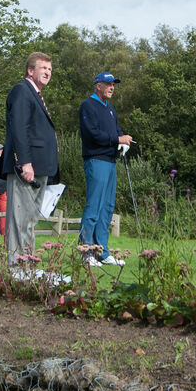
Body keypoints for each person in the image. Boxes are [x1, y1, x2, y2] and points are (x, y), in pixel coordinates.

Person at [0, 52, 59, 268]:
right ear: (30, 70)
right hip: (26, 168)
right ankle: (17, 267)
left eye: (50, 69)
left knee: (30, 220)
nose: (48, 73)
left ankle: (28, 266)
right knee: (20, 221)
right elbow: (19, 128)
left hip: (39, 168)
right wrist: (24, 162)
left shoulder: (35, 95)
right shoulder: (21, 91)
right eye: (43, 68)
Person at [78, 72, 133, 267]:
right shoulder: (88, 105)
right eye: (108, 84)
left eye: (113, 84)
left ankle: (101, 251)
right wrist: (117, 139)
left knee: (107, 206)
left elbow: (116, 131)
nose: (112, 87)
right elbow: (92, 134)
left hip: (110, 161)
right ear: (97, 86)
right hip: (96, 159)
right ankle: (86, 252)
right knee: (94, 205)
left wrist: (123, 140)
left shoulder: (110, 109)